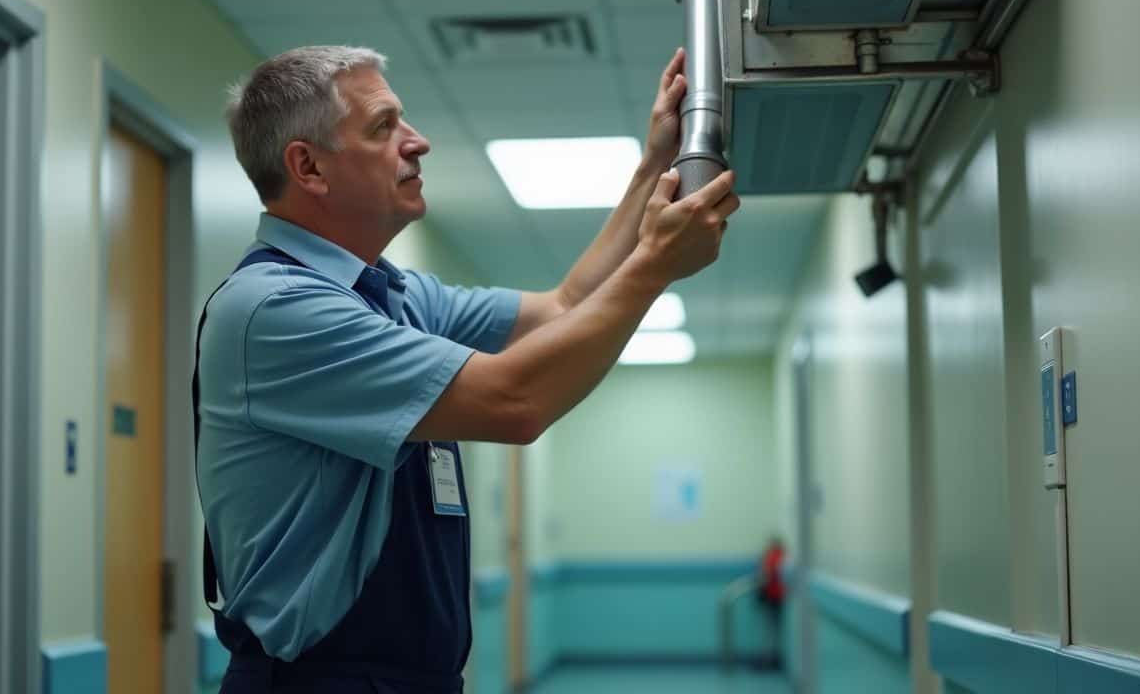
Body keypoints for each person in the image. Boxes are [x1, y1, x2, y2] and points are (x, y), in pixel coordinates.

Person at [194, 44, 739, 693]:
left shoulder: (397, 296)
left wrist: (655, 163)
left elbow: (567, 306)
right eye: (384, 126)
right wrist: (654, 267)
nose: (417, 142)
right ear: (308, 166)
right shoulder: (275, 309)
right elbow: (515, 401)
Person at [757, 536, 787, 670]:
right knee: (774, 628)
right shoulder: (782, 556)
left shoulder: (772, 557)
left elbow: (766, 576)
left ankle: (770, 659)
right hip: (778, 596)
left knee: (770, 628)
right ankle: (771, 657)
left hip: (773, 596)